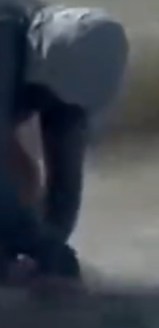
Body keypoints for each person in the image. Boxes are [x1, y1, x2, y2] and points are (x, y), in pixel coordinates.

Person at [1, 0, 127, 286]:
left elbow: (65, 180)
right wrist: (30, 239)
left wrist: (52, 248)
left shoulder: (81, 61)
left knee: (24, 190)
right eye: (52, 98)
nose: (59, 113)